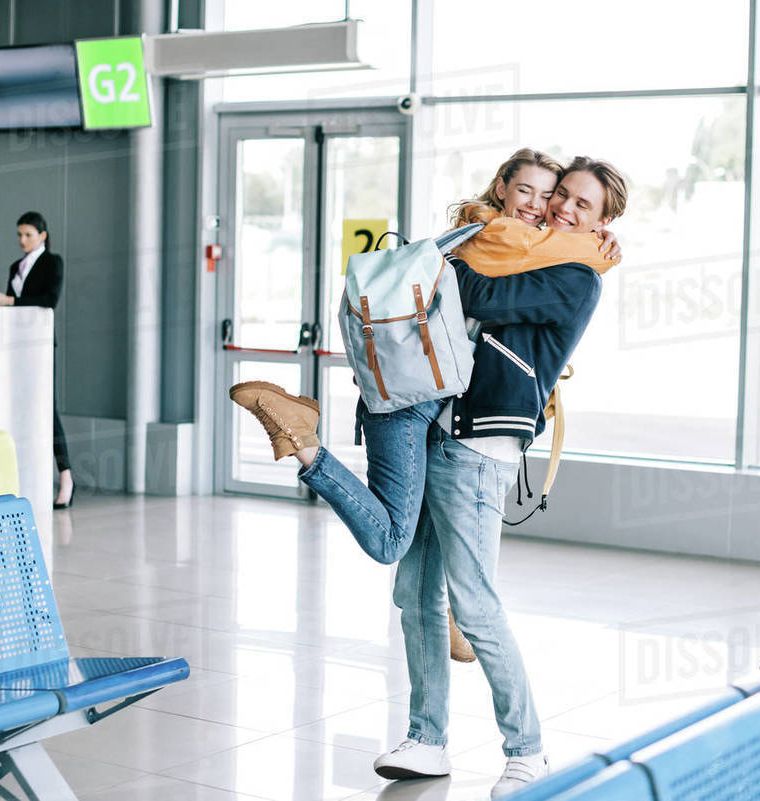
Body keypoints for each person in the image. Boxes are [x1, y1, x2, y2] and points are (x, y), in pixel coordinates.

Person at [230, 149, 619, 565]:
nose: (538, 205)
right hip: (409, 395)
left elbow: (552, 253)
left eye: (546, 195)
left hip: (425, 396)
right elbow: (490, 293)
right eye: (526, 190)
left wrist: (602, 234)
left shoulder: (510, 242)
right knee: (391, 542)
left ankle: (303, 435)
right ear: (501, 188)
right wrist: (600, 244)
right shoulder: (496, 238)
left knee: (411, 551)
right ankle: (302, 438)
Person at [378, 157, 629, 797]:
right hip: (437, 428)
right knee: (415, 594)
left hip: (480, 448)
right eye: (561, 195)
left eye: (582, 206)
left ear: (602, 223)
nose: (562, 208)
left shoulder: (574, 275)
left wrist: (441, 258)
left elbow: (481, 296)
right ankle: (426, 739)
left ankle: (528, 751)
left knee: (474, 604)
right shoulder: (524, 247)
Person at [0, 211, 74, 509]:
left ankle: (66, 477)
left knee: (47, 408)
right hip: (17, 345)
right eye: (19, 235)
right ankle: (23, 475)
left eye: (28, 235)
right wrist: (1, 300)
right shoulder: (16, 267)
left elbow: (50, 300)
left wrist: (9, 300)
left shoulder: (52, 262)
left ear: (42, 236)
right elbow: (15, 305)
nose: (22, 240)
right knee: (19, 406)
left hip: (41, 345)